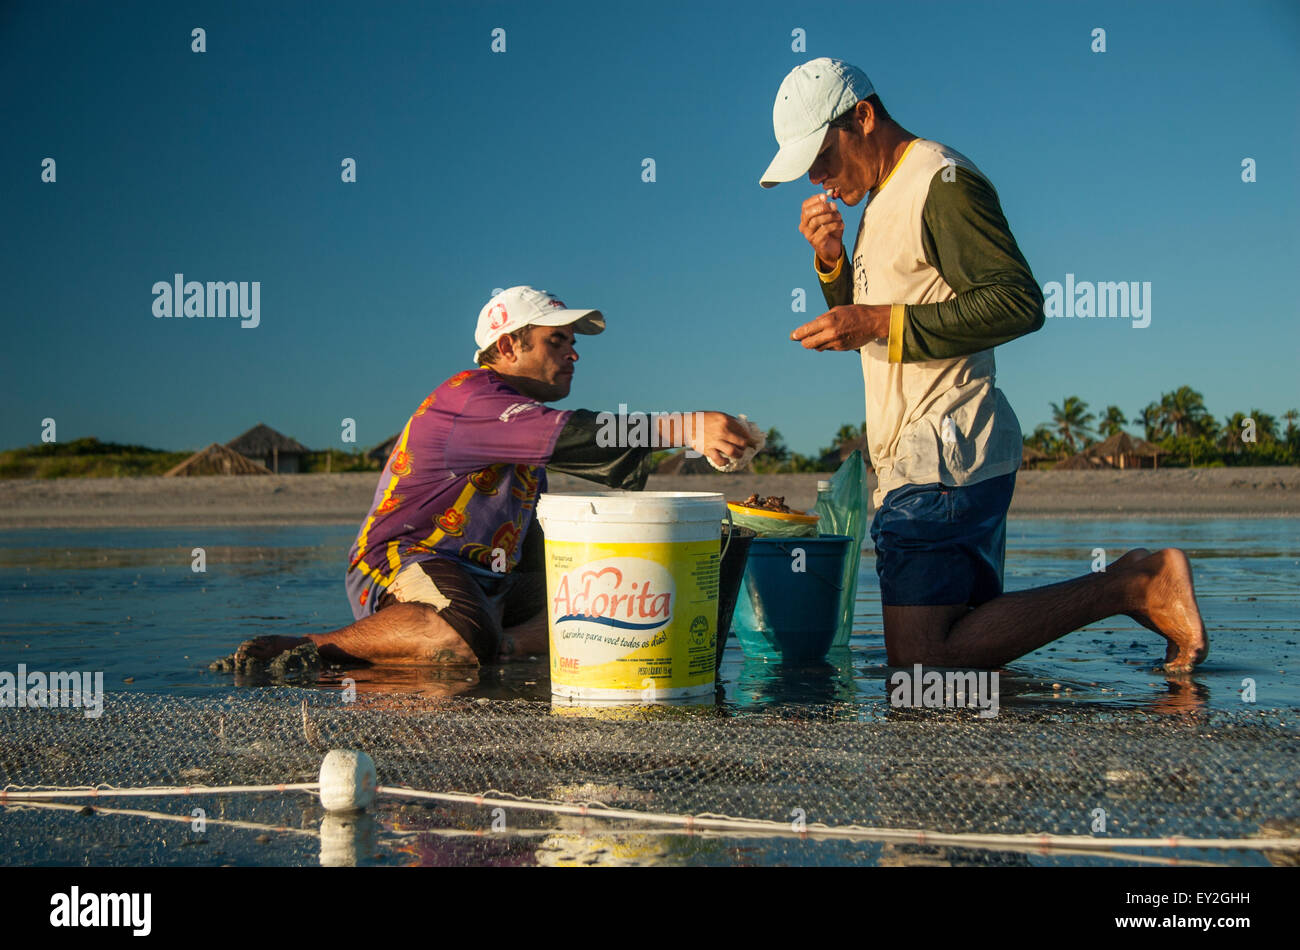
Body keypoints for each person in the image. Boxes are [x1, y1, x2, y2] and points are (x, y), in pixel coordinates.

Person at [759, 58, 1207, 671]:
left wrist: (879, 320)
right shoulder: (878, 207)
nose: (817, 176)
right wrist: (833, 263)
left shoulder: (940, 182)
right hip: (926, 459)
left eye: (821, 157)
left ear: (862, 117)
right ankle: (1130, 586)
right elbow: (868, 332)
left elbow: (1017, 301)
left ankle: (1132, 584)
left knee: (923, 661)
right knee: (960, 661)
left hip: (944, 453)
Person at [233, 285, 757, 669]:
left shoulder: (525, 418)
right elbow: (575, 435)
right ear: (507, 347)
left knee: (615, 599)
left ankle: (503, 644)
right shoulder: (471, 396)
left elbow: (581, 469)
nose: (574, 354)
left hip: (492, 578)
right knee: (458, 636)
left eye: (574, 343)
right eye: (557, 342)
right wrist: (689, 426)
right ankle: (317, 644)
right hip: (407, 560)